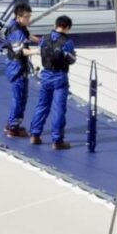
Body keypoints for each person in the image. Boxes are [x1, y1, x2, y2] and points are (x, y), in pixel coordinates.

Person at [28, 14, 77, 148]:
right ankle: (57, 140)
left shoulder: (45, 38)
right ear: (67, 28)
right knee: (59, 109)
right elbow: (72, 60)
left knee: (42, 105)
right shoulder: (67, 42)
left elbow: (40, 46)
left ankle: (35, 134)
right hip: (59, 76)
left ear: (55, 25)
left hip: (46, 75)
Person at [1, 4, 38, 137]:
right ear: (19, 17)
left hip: (16, 65)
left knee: (20, 97)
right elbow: (21, 51)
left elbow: (28, 35)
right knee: (19, 98)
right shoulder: (16, 32)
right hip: (17, 67)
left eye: (29, 16)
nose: (29, 19)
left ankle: (11, 123)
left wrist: (42, 41)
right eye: (27, 17)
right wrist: (38, 51)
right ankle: (13, 127)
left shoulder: (17, 26)